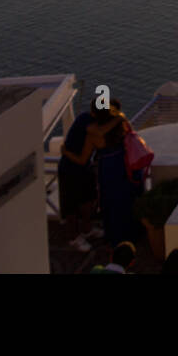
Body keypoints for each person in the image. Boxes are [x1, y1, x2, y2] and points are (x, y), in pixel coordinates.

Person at [65, 99, 138, 244]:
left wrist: (65, 152)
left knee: (110, 202)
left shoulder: (94, 133)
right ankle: (130, 233)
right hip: (123, 164)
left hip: (108, 168)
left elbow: (82, 159)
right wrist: (119, 118)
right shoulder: (121, 125)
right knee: (125, 198)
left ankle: (114, 237)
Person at [57, 100, 100, 251]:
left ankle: (87, 230)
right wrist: (67, 153)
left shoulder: (84, 117)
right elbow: (82, 159)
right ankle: (74, 238)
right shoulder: (90, 127)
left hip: (83, 168)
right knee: (72, 206)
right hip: (70, 169)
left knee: (87, 200)